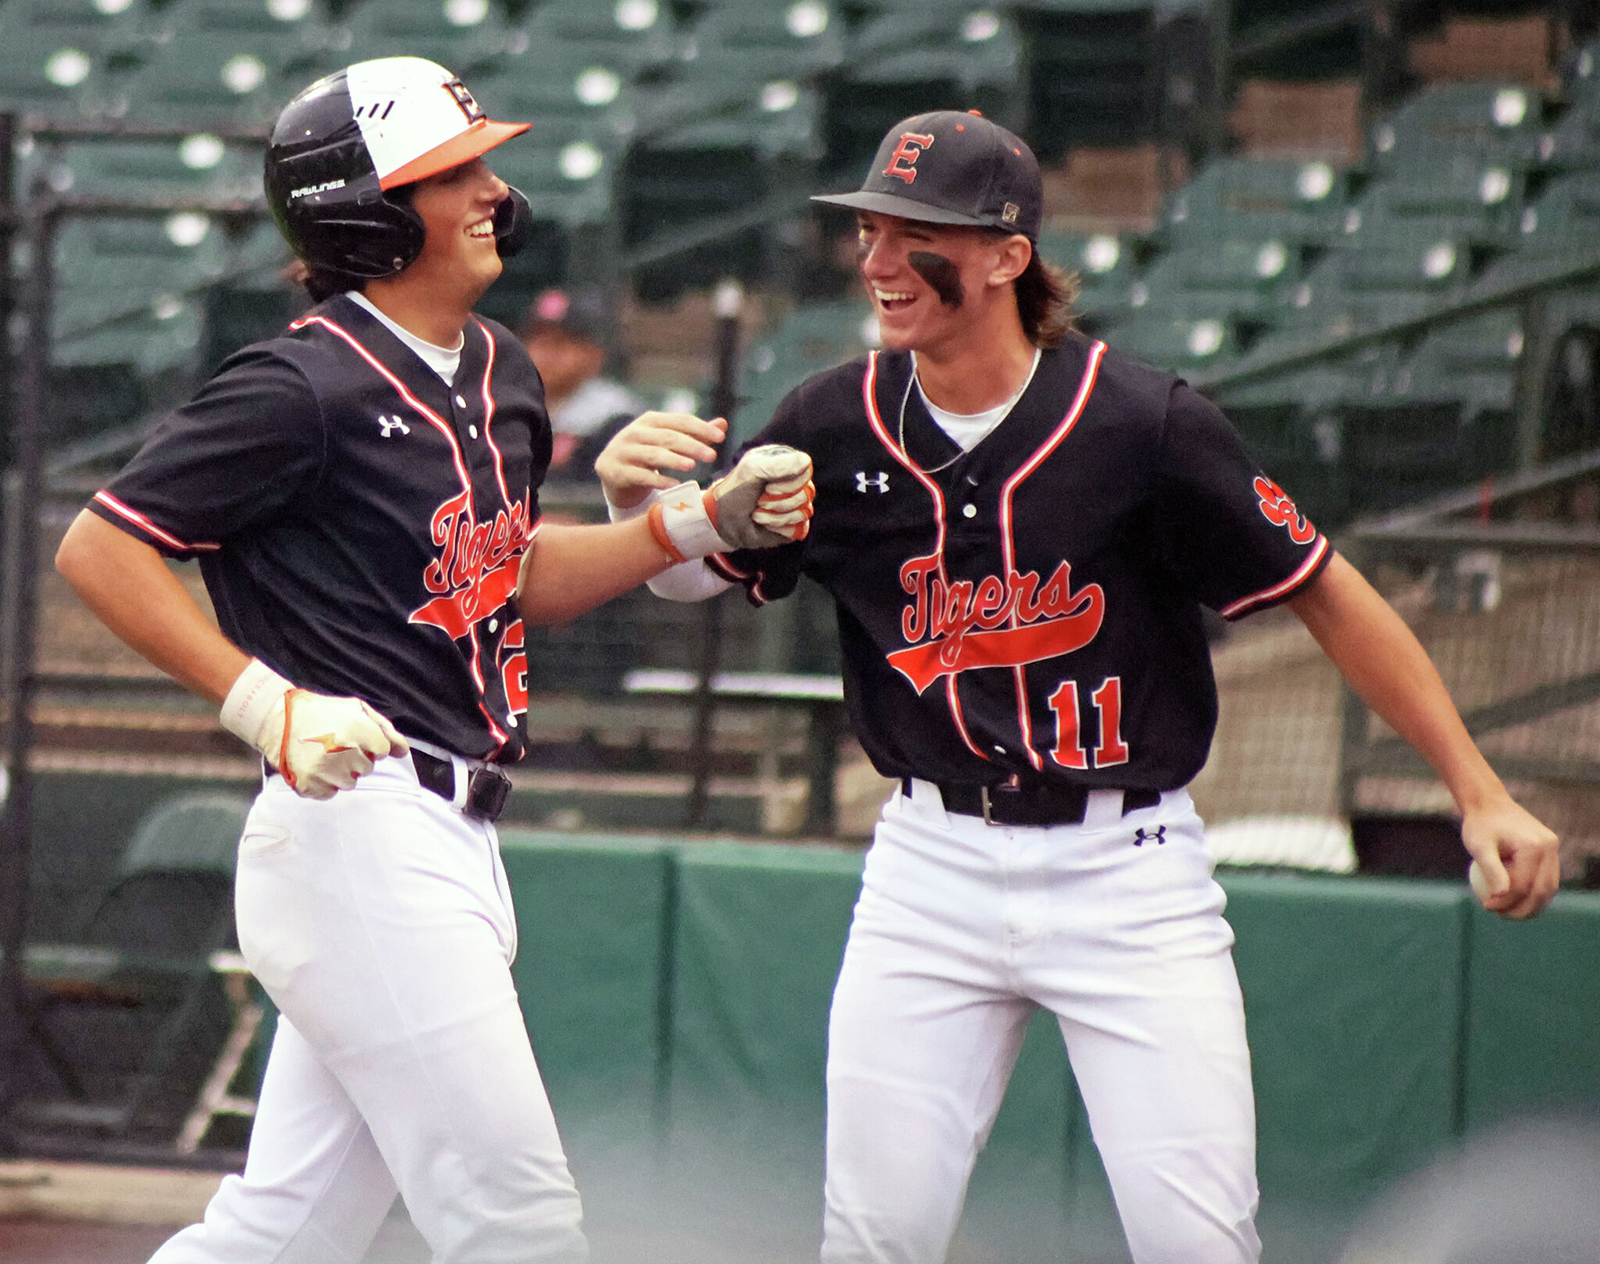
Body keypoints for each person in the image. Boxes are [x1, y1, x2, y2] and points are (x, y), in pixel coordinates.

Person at [595, 110, 1562, 1264]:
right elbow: (695, 582)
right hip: (928, 868)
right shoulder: (829, 419)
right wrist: (636, 511)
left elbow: (1327, 591)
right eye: (869, 229)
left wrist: (1478, 790)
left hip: (1128, 872)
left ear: (1008, 255)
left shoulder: (1142, 422)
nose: (879, 259)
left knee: (1198, 1240)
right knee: (869, 1239)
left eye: (919, 233)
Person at [54, 56, 811, 1264]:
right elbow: (102, 549)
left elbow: (509, 578)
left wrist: (694, 525)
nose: (488, 191)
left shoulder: (501, 369)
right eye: (448, 171)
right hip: (360, 832)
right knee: (519, 1224)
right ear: (363, 209)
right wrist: (266, 705)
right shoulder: (297, 383)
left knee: (281, 1233)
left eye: (479, 166)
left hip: (448, 836)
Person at [520, 286, 645, 480]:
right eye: (538, 341)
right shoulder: (502, 404)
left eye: (559, 343)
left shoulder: (616, 417)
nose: (545, 354)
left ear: (594, 354)